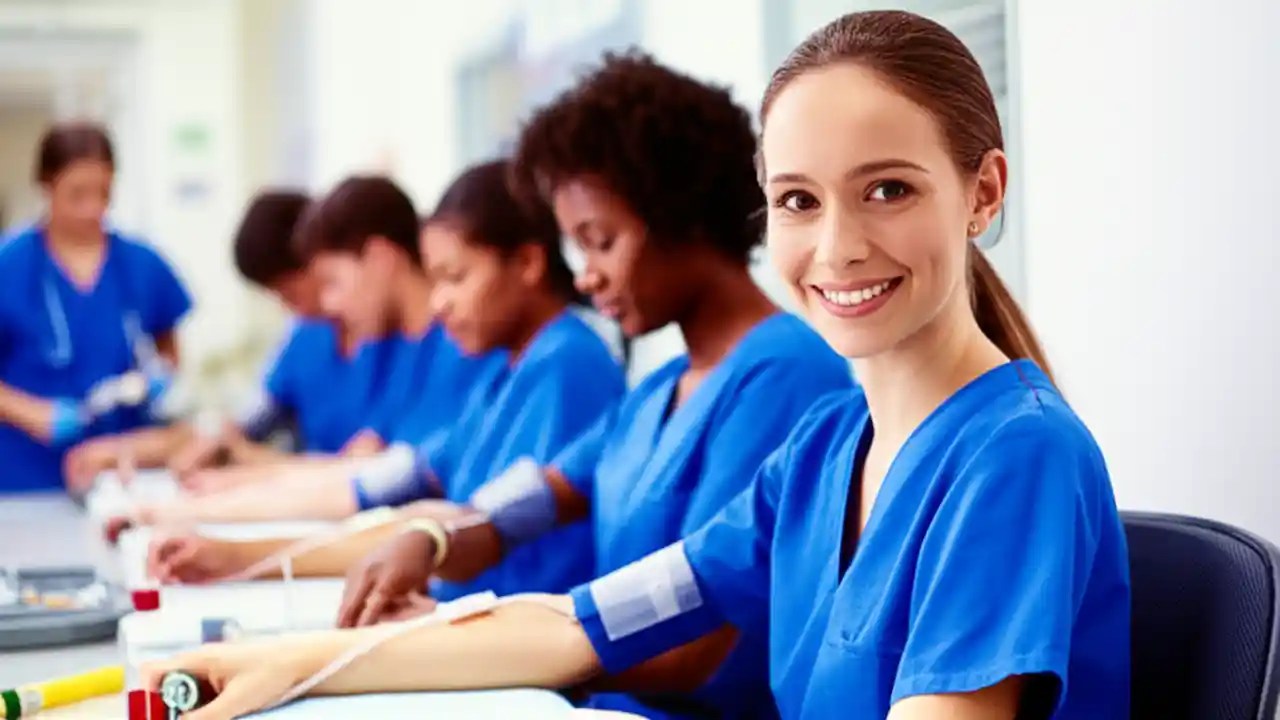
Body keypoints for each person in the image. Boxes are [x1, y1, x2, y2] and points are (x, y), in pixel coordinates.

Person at [142, 11, 1132, 720]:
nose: (833, 246)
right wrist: (290, 662)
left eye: (884, 189)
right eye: (796, 200)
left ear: (981, 193)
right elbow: (580, 626)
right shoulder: (824, 451)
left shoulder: (1011, 459)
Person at [221, 52, 849, 719]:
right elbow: (528, 503)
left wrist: (480, 647)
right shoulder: (656, 392)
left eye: (601, 241)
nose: (585, 276)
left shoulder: (786, 374)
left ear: (679, 215)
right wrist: (432, 541)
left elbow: (703, 647)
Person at [148, 159, 625, 606]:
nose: (441, 304)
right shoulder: (505, 371)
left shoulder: (565, 363)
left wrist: (244, 551)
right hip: (470, 610)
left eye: (455, 277)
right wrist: (234, 547)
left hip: (517, 629)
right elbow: (397, 494)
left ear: (526, 264)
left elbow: (465, 531)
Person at [112, 176, 506, 520]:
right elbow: (364, 468)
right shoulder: (400, 347)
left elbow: (376, 476)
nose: (326, 305)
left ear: (380, 257)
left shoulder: (459, 346)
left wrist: (248, 477)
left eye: (331, 282)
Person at [61, 191, 384, 490]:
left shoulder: (388, 343)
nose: (290, 306)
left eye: (291, 292)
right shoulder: (305, 340)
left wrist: (251, 461)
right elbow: (236, 426)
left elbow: (360, 473)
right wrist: (122, 451)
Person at [0, 122, 191, 494]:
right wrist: (36, 414)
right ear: (46, 185)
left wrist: (158, 375)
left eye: (103, 193)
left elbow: (168, 348)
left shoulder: (141, 263)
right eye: (77, 195)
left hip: (121, 467)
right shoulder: (9, 266)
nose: (93, 208)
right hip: (25, 471)